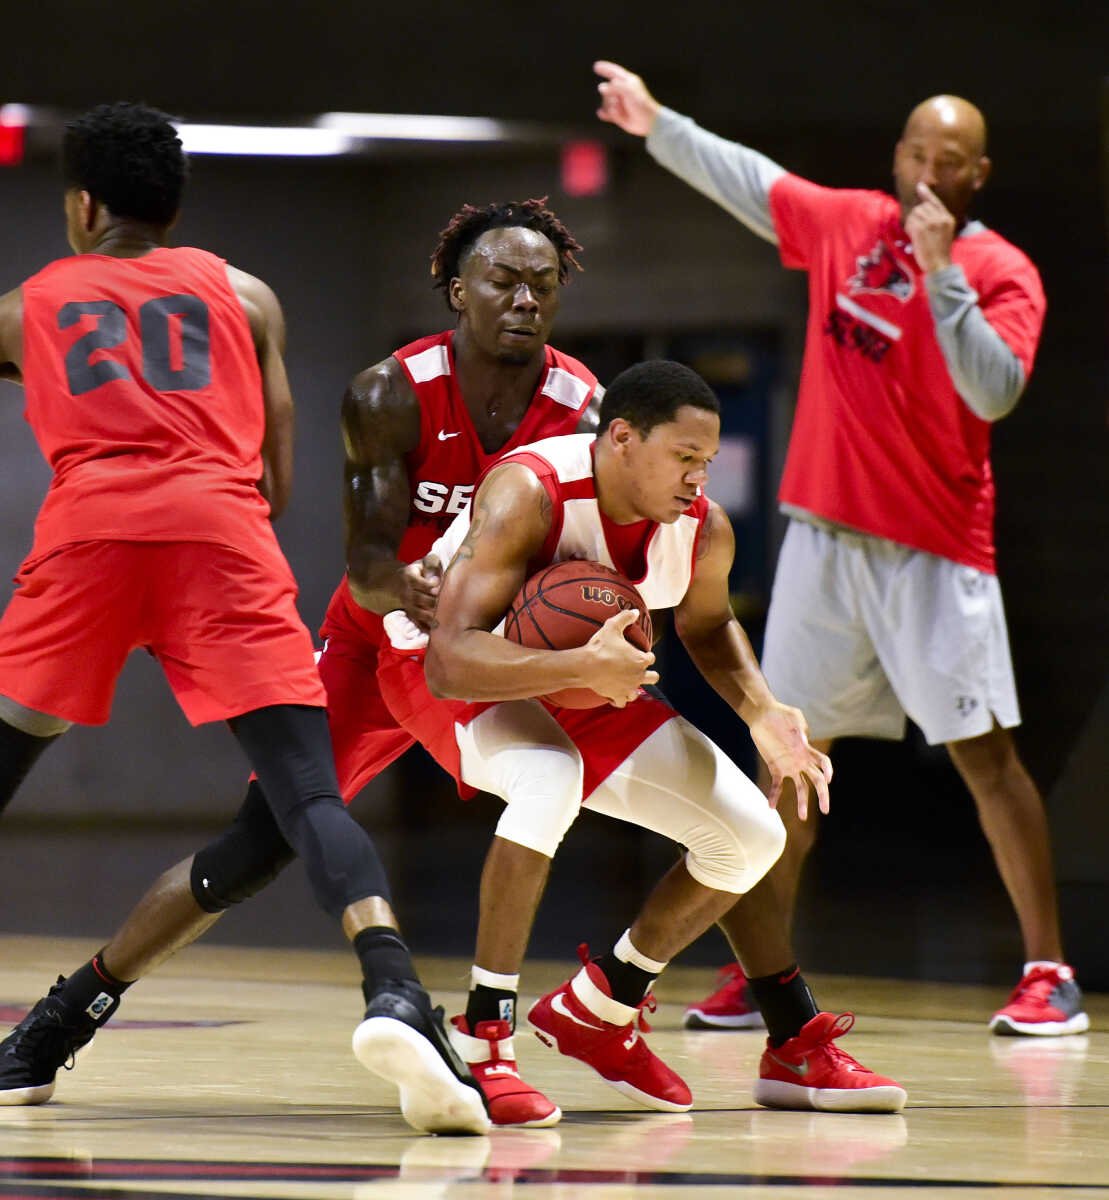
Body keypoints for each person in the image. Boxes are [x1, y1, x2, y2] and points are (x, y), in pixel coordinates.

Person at [0, 103, 488, 1136]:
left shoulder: (19, 308)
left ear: (83, 206)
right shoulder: (247, 297)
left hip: (88, 537)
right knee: (309, 795)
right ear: (170, 205)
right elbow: (276, 478)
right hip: (221, 536)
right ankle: (391, 988)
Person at [0, 199, 603, 1129]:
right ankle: (73, 1008)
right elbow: (368, 561)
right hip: (378, 638)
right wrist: (415, 593)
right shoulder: (390, 390)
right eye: (503, 280)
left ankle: (568, 1018)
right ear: (457, 289)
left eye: (543, 285)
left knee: (641, 781)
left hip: (490, 650)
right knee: (251, 852)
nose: (524, 299)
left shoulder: (583, 405)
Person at [593, 62, 1083, 1037]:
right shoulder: (847, 225)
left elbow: (993, 391)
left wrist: (943, 279)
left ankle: (1047, 971)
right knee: (786, 756)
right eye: (916, 155)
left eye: (951, 163)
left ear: (976, 175)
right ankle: (764, 970)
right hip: (822, 536)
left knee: (986, 759)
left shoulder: (1000, 272)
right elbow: (747, 176)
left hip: (935, 551)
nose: (929, 174)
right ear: (897, 157)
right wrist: (656, 124)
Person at [383, 359, 905, 1114]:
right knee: (547, 776)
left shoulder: (700, 527)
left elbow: (707, 623)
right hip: (454, 670)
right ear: (621, 439)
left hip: (582, 677)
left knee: (749, 835)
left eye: (707, 462)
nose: (698, 479)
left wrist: (763, 714)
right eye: (683, 458)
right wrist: (574, 663)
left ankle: (600, 1009)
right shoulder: (527, 493)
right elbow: (448, 658)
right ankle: (482, 1039)